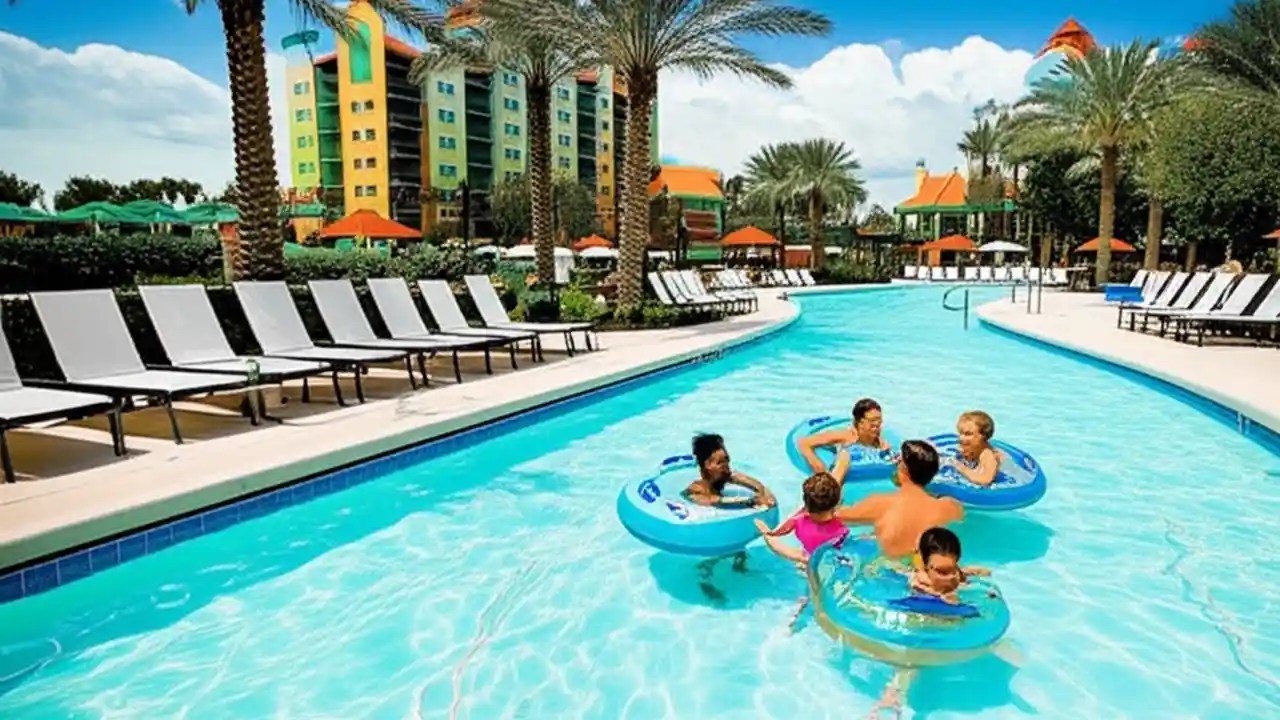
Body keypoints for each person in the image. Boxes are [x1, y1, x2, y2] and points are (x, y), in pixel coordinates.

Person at [834, 440, 964, 562]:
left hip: (892, 573)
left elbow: (826, 513)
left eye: (898, 461)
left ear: (904, 469)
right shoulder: (952, 507)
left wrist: (841, 468)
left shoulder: (880, 504)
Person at [754, 468, 848, 565]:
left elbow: (779, 548)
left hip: (809, 562)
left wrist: (766, 533)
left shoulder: (800, 522)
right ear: (836, 504)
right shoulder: (842, 528)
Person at [797, 398, 890, 473]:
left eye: (879, 420)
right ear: (860, 422)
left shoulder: (878, 439)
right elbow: (804, 443)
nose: (877, 425)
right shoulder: (845, 436)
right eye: (873, 421)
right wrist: (819, 467)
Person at [685, 433, 777, 509]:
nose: (727, 466)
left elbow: (759, 486)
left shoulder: (724, 476)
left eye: (727, 460)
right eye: (720, 462)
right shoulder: (697, 489)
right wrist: (752, 501)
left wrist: (763, 494)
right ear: (707, 465)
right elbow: (713, 501)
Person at [908, 527, 990, 604]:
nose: (949, 578)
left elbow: (985, 572)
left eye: (953, 570)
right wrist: (940, 594)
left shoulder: (959, 575)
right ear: (926, 567)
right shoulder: (920, 579)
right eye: (941, 572)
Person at [944, 410, 1001, 487]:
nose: (961, 438)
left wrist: (961, 467)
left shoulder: (988, 455)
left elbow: (986, 480)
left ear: (983, 435)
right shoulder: (974, 449)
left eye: (968, 434)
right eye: (961, 433)